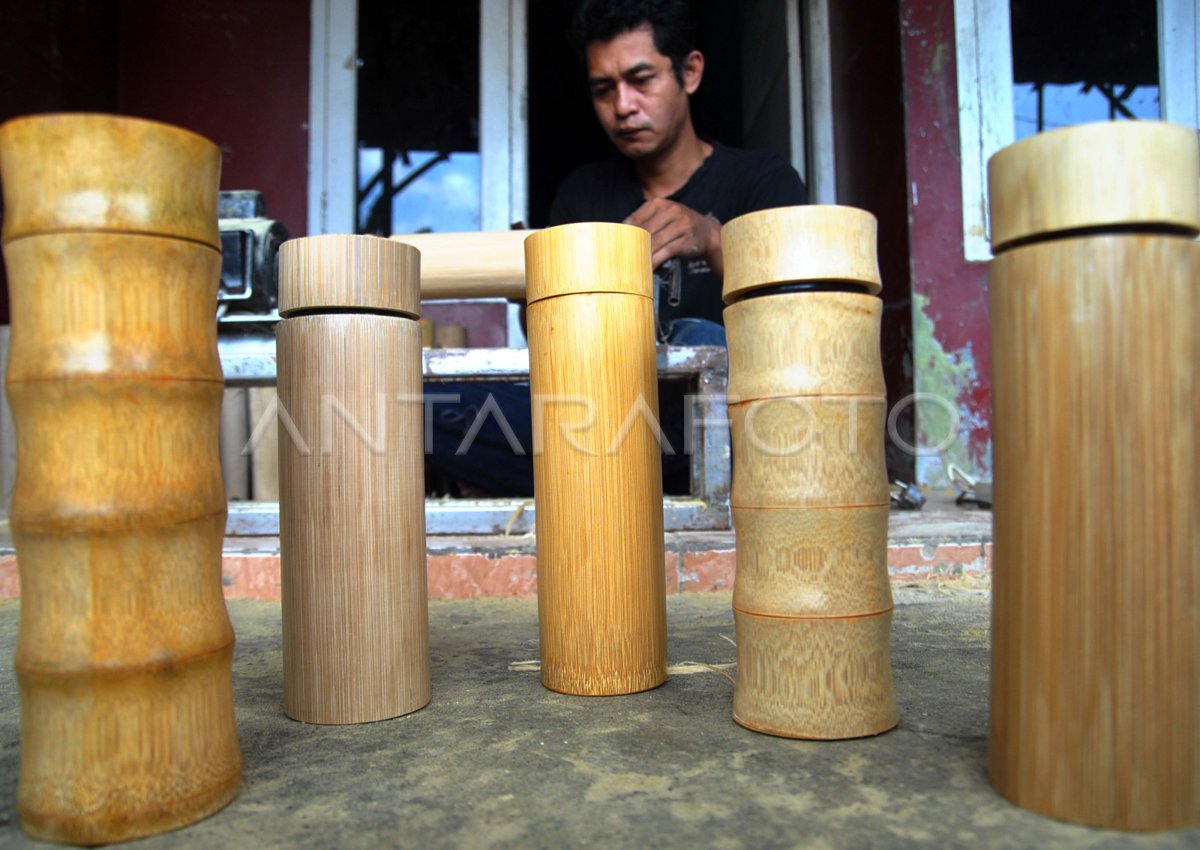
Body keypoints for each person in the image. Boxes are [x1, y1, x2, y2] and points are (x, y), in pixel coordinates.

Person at [428, 0, 807, 496]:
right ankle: (608, 486)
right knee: (418, 406)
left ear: (689, 73)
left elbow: (798, 324)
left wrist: (714, 238)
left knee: (697, 341)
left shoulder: (762, 180)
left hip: (721, 420)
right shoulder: (582, 195)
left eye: (641, 79)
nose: (623, 106)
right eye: (604, 89)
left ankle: (588, 485)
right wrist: (537, 300)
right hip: (597, 413)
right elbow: (555, 353)